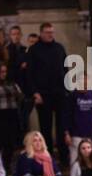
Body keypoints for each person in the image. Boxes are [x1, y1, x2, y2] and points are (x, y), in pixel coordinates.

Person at [26, 23, 68, 154]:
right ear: (41, 33)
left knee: (62, 126)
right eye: (47, 32)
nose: (50, 34)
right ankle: (47, 153)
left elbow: (65, 69)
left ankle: (63, 155)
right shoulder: (34, 50)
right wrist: (35, 93)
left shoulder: (59, 48)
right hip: (43, 94)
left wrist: (67, 89)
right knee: (45, 127)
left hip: (59, 93)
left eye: (52, 32)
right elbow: (29, 74)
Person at [0, 62, 25, 171]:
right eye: (1, 72)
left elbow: (21, 97)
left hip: (12, 114)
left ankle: (6, 165)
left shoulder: (11, 83)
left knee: (10, 143)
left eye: (5, 71)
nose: (4, 74)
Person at [62, 72, 92, 167]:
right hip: (76, 135)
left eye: (86, 80)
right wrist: (66, 133)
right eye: (81, 80)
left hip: (91, 134)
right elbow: (66, 115)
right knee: (75, 162)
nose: (84, 83)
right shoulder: (71, 97)